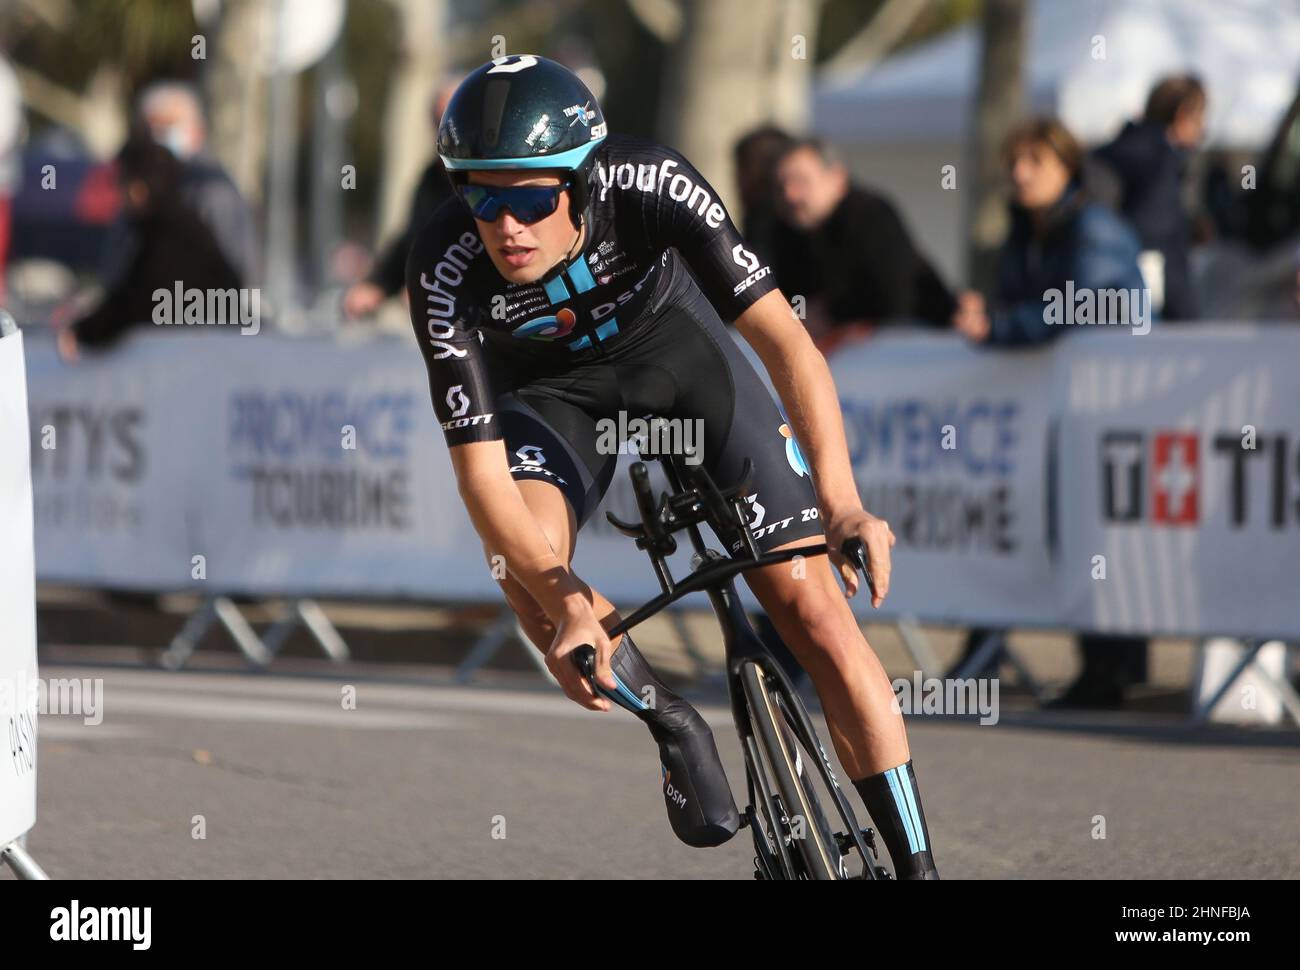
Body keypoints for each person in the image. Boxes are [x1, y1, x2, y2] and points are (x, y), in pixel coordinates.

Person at [407, 56, 939, 878]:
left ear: (580, 183)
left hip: (674, 355)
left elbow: (783, 341)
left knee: (817, 615)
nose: (504, 225)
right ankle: (671, 722)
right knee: (525, 567)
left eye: (529, 199)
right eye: (481, 196)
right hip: (550, 397)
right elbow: (481, 478)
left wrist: (841, 503)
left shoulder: (651, 182)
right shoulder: (443, 266)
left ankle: (918, 870)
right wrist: (563, 597)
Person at [952, 117, 1149, 709]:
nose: (1019, 173)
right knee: (1023, 517)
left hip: (1109, 405)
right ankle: (985, 655)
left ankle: (1109, 671)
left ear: (1068, 168)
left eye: (1035, 161)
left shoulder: (1094, 228)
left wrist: (998, 328)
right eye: (1014, 161)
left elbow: (1084, 305)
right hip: (1053, 408)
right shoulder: (1026, 228)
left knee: (1094, 530)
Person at [58, 129, 241, 357]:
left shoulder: (169, 236)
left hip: (209, 362)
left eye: (122, 182)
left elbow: (136, 303)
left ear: (139, 189)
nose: (119, 193)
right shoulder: (172, 226)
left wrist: (84, 332)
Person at [770, 137, 956, 354]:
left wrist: (831, 313)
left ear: (837, 178)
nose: (789, 194)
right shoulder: (784, 229)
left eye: (801, 181)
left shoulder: (871, 216)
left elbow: (894, 298)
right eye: (781, 185)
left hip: (913, 349)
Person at [1093, 75, 1207, 321]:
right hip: (1144, 306)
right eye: (1200, 118)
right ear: (1182, 114)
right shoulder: (1161, 163)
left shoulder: (1120, 150)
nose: (1203, 128)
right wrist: (1186, 319)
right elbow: (1157, 244)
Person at [343, 80, 460, 319]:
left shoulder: (484, 181)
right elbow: (413, 239)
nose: (444, 132)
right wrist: (377, 284)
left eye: (451, 122)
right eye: (437, 122)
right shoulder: (430, 179)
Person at [134, 81, 257, 284]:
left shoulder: (213, 191)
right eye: (149, 129)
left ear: (196, 131)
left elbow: (234, 269)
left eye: (166, 127)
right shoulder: (146, 187)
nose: (156, 137)